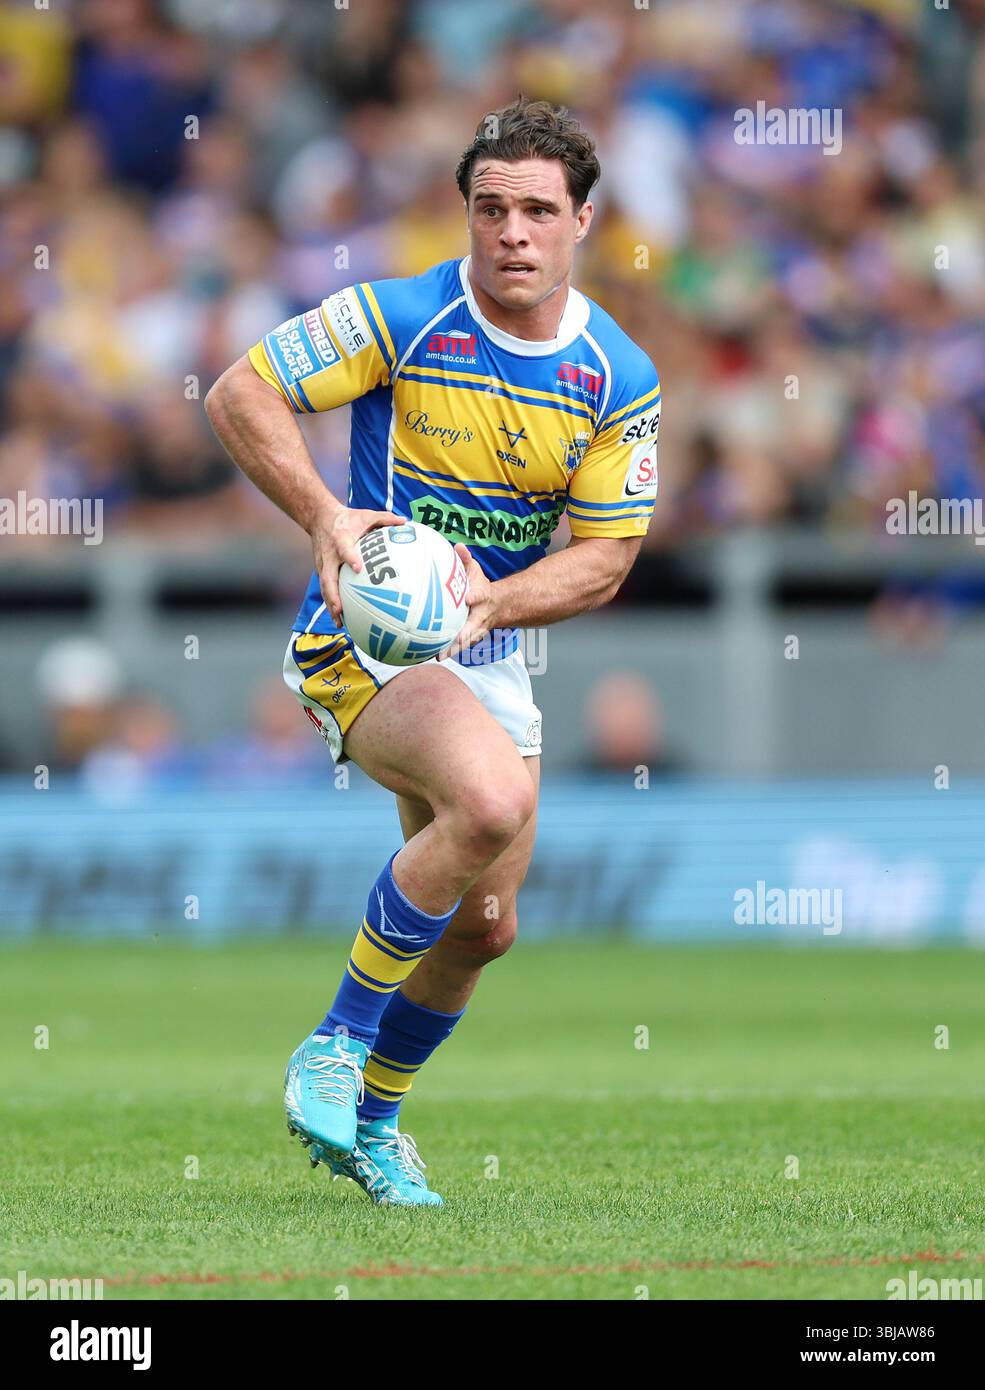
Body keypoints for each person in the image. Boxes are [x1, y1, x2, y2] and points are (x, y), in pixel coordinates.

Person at [205, 97, 661, 1206]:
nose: (512, 232)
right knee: (493, 803)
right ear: (464, 213)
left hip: (482, 641)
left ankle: (375, 1119)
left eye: (536, 212)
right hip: (366, 637)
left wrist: (492, 605)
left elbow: (604, 559)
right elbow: (240, 392)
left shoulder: (618, 376)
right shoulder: (398, 315)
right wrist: (323, 514)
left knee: (486, 930)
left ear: (582, 220)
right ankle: (332, 1041)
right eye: (491, 208)